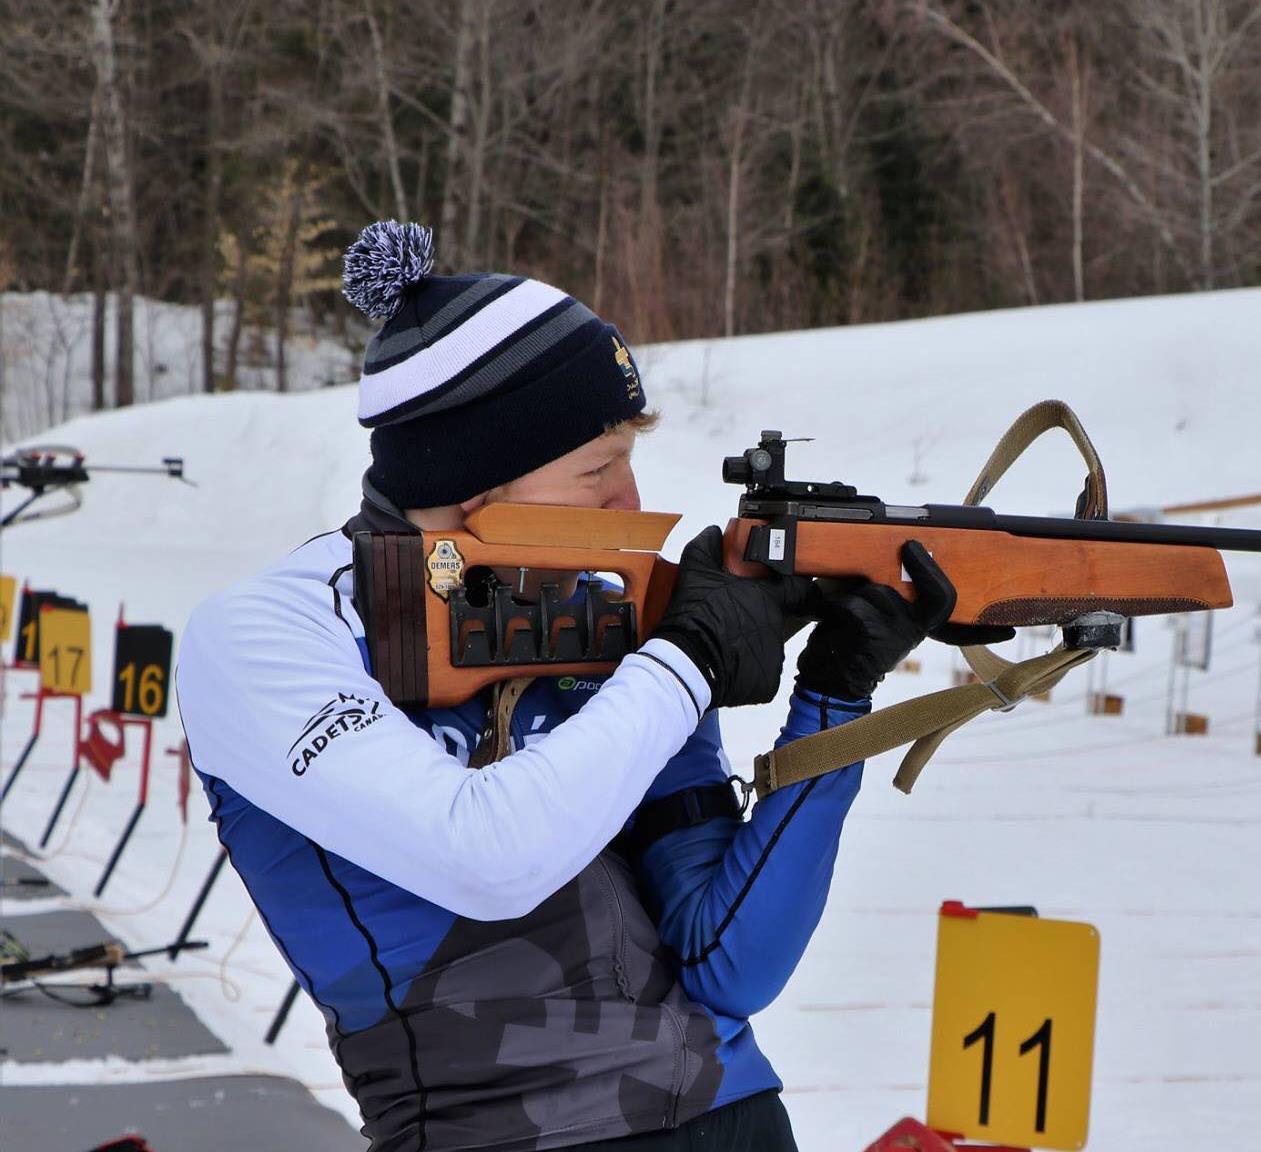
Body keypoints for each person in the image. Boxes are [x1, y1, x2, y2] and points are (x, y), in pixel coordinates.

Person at [175, 222, 999, 1152]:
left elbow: (729, 965)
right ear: (470, 481)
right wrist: (685, 662)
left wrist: (834, 695)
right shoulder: (269, 637)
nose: (630, 504)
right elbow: (487, 856)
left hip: (740, 1123)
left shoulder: (605, 617)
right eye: (597, 470)